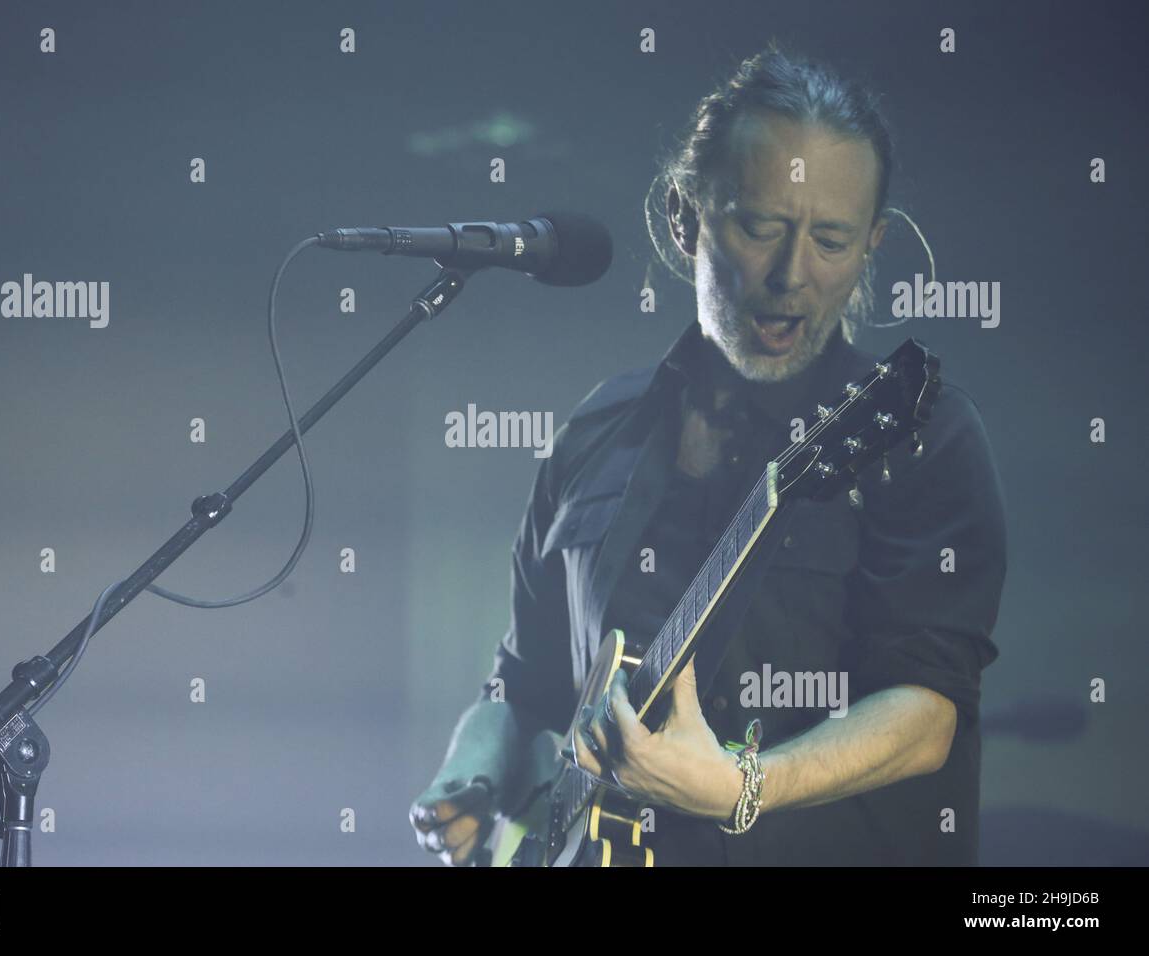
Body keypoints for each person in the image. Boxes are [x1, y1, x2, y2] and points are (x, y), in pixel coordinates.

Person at [410, 44, 1006, 866]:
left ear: (872, 243)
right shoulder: (595, 433)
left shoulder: (913, 431)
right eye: (760, 227)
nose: (792, 274)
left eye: (832, 240)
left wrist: (741, 787)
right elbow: (520, 685)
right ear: (684, 216)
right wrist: (470, 776)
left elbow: (928, 709)